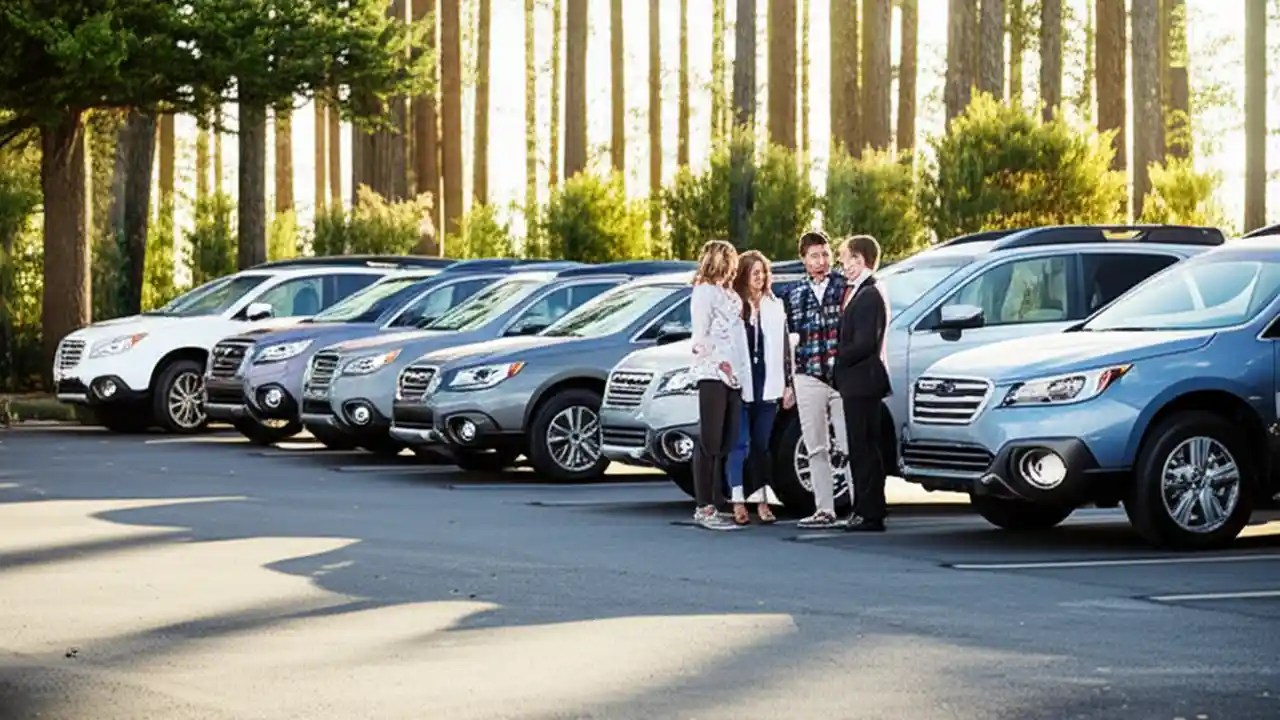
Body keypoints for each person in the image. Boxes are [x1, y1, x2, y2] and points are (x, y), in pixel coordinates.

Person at [780, 231, 850, 529]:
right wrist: (788, 382)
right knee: (815, 445)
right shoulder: (794, 294)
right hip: (808, 374)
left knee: (849, 444)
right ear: (804, 260)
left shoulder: (844, 287)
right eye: (814, 256)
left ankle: (861, 506)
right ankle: (824, 509)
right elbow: (788, 341)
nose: (821, 262)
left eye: (824, 255)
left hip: (842, 376)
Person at [725, 250, 793, 525]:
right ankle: (738, 500)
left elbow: (787, 348)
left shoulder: (775, 305)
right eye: (755, 272)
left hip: (769, 383)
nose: (760, 277)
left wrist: (789, 384)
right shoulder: (733, 305)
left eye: (763, 272)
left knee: (762, 446)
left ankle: (762, 501)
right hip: (740, 384)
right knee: (740, 443)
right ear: (743, 275)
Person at [689, 239, 751, 531]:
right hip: (712, 372)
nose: (733, 269)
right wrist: (718, 360)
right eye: (729, 263)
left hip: (734, 374)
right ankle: (704, 505)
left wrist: (738, 368)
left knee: (727, 438)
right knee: (709, 439)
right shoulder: (704, 293)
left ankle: (716, 498)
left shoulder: (729, 295)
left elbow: (737, 334)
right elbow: (700, 337)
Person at [834, 235, 892, 532]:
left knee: (864, 447)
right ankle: (867, 509)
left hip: (863, 381)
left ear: (859, 259)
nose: (842, 265)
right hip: (860, 382)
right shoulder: (862, 291)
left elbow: (865, 342)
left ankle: (869, 513)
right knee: (864, 447)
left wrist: (836, 355)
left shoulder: (869, 294)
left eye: (845, 258)